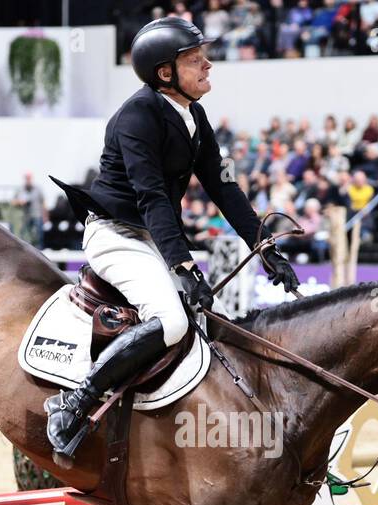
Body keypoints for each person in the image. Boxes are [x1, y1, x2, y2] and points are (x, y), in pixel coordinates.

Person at [46, 17, 298, 460]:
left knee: (207, 327)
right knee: (173, 320)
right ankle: (74, 405)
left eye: (205, 57)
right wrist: (184, 266)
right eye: (195, 60)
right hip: (116, 235)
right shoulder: (136, 117)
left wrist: (265, 246)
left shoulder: (194, 115)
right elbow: (152, 198)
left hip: (152, 238)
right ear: (166, 73)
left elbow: (224, 189)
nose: (208, 65)